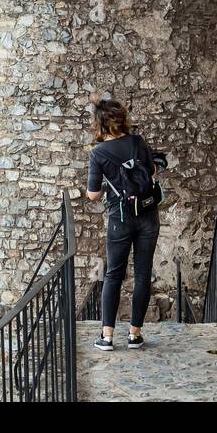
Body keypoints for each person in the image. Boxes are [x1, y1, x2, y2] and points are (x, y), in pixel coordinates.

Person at [85, 98, 160, 352]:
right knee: (142, 275)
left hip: (120, 218)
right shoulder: (138, 142)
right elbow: (152, 173)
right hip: (148, 216)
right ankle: (134, 335)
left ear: (100, 124)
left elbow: (93, 194)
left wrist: (111, 185)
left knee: (113, 274)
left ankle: (106, 338)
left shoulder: (98, 154)